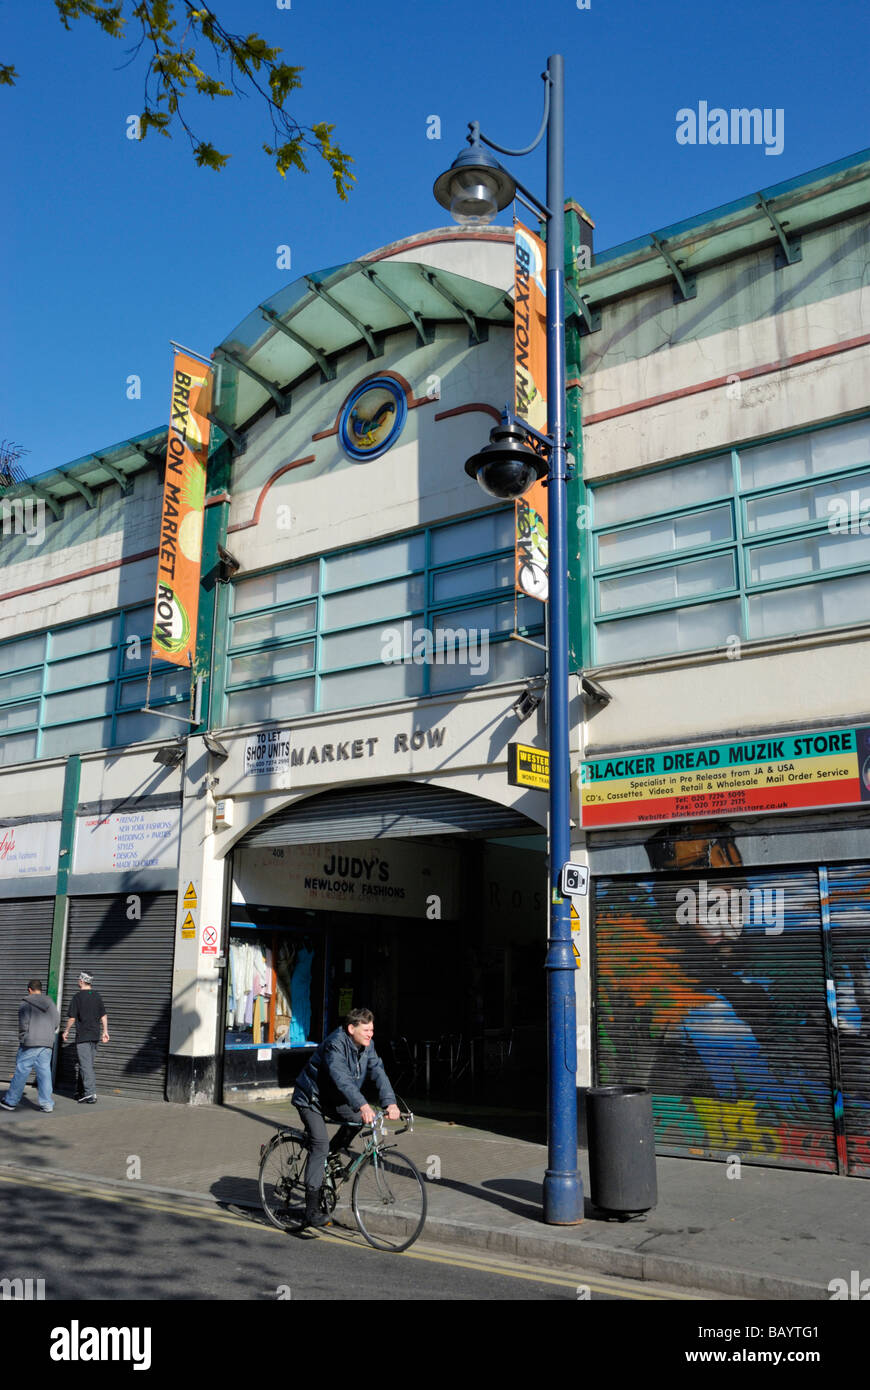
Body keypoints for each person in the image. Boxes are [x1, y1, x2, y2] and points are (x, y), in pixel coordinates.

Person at [292, 1008, 400, 1228]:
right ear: (352, 1029)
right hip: (310, 1098)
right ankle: (310, 1211)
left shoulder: (367, 1047)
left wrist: (390, 1102)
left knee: (360, 1120)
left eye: (372, 1030)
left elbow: (378, 1071)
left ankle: (331, 1155)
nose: (371, 1034)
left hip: (334, 1099)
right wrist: (362, 1104)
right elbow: (341, 1078)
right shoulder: (336, 1044)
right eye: (366, 1030)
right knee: (320, 1143)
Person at [0, 979, 59, 1113]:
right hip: (47, 1042)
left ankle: (11, 1101)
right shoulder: (50, 1003)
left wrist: (23, 1038)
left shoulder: (25, 1003)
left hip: (31, 1042)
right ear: (40, 989)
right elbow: (56, 1022)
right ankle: (47, 1104)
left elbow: (23, 1024)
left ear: (29, 990)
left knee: (22, 1071)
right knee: (44, 1073)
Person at [62, 971, 109, 1104]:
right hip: (94, 1036)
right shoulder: (97, 996)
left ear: (82, 981)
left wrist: (66, 1031)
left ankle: (90, 1094)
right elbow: (103, 1015)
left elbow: (72, 1017)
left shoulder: (77, 997)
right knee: (87, 1065)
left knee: (85, 1066)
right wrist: (105, 1031)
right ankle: (81, 1091)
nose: (77, 981)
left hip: (83, 1036)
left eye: (78, 979)